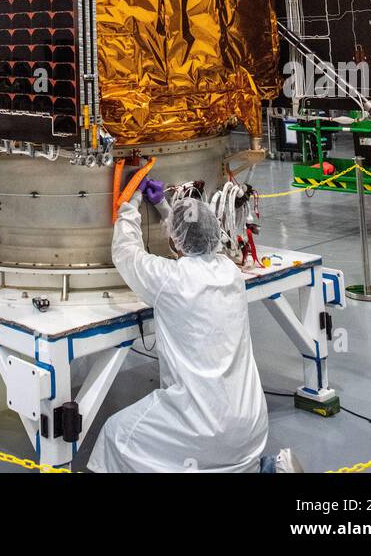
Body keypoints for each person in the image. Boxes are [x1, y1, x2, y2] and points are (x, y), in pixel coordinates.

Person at [88, 180, 270, 474]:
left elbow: (126, 254)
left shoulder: (169, 281)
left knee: (115, 435)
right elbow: (191, 245)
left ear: (174, 240)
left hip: (201, 431)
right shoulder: (231, 273)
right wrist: (164, 206)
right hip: (251, 430)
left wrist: (129, 204)